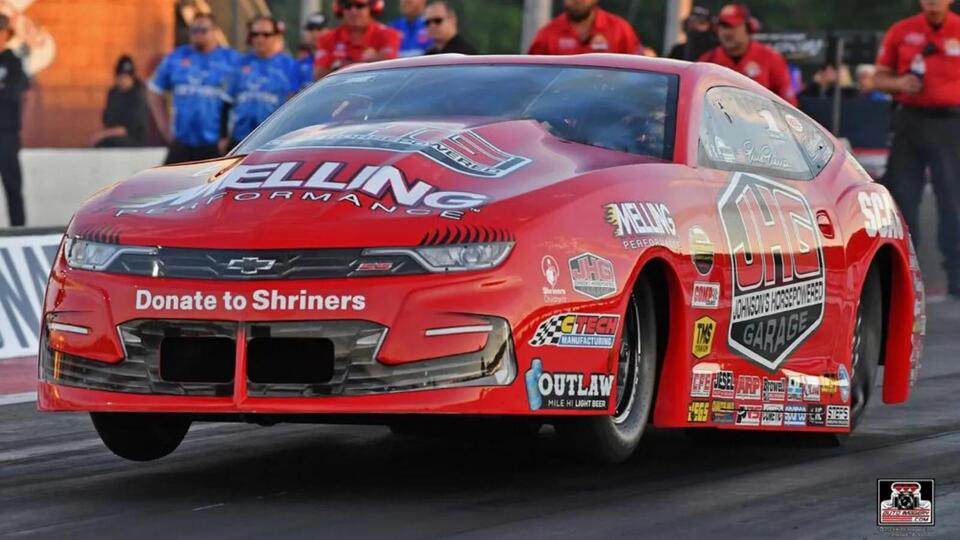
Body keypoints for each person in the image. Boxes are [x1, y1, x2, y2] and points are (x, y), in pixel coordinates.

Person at [874, 0, 960, 295]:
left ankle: (957, 277)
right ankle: (905, 276)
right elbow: (878, 77)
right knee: (902, 198)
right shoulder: (902, 31)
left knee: (952, 199)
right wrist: (899, 84)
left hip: (951, 124)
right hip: (910, 121)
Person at [148, 13, 239, 165]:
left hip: (215, 143)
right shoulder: (176, 57)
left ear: (215, 31)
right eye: (194, 30)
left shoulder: (232, 60)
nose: (198, 34)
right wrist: (164, 128)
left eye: (203, 30)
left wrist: (229, 137)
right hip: (182, 141)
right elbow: (154, 90)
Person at [698, 3, 797, 105]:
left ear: (749, 27)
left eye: (732, 26)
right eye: (722, 26)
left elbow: (788, 103)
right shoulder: (707, 61)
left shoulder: (770, 58)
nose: (726, 32)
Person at [229, 16, 299, 147]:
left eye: (266, 34)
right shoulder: (240, 63)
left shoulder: (289, 66)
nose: (260, 39)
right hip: (240, 140)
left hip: (274, 141)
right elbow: (227, 102)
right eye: (255, 34)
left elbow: (294, 104)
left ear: (276, 36)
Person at [314, 0, 401, 79]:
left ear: (372, 7)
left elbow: (391, 72)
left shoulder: (388, 34)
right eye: (347, 6)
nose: (353, 11)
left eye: (359, 6)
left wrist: (339, 66)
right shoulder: (327, 39)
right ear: (340, 9)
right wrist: (369, 63)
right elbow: (319, 76)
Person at [527, 0, 642, 56]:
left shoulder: (620, 30)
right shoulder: (546, 35)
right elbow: (533, 79)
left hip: (609, 101)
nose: (577, 0)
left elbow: (637, 75)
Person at [0, 13, 28, 227]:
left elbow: (13, 93)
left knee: (12, 186)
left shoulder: (13, 62)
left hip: (6, 133)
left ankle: (19, 230)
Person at [90, 55, 149, 147]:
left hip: (134, 141)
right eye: (120, 77)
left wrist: (102, 135)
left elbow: (125, 130)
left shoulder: (138, 95)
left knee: (106, 143)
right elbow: (107, 120)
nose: (123, 80)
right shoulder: (114, 93)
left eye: (126, 77)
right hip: (112, 136)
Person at [297, 12, 330, 90]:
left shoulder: (337, 59)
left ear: (329, 31)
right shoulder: (300, 63)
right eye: (311, 29)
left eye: (319, 29)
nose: (315, 34)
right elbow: (291, 95)